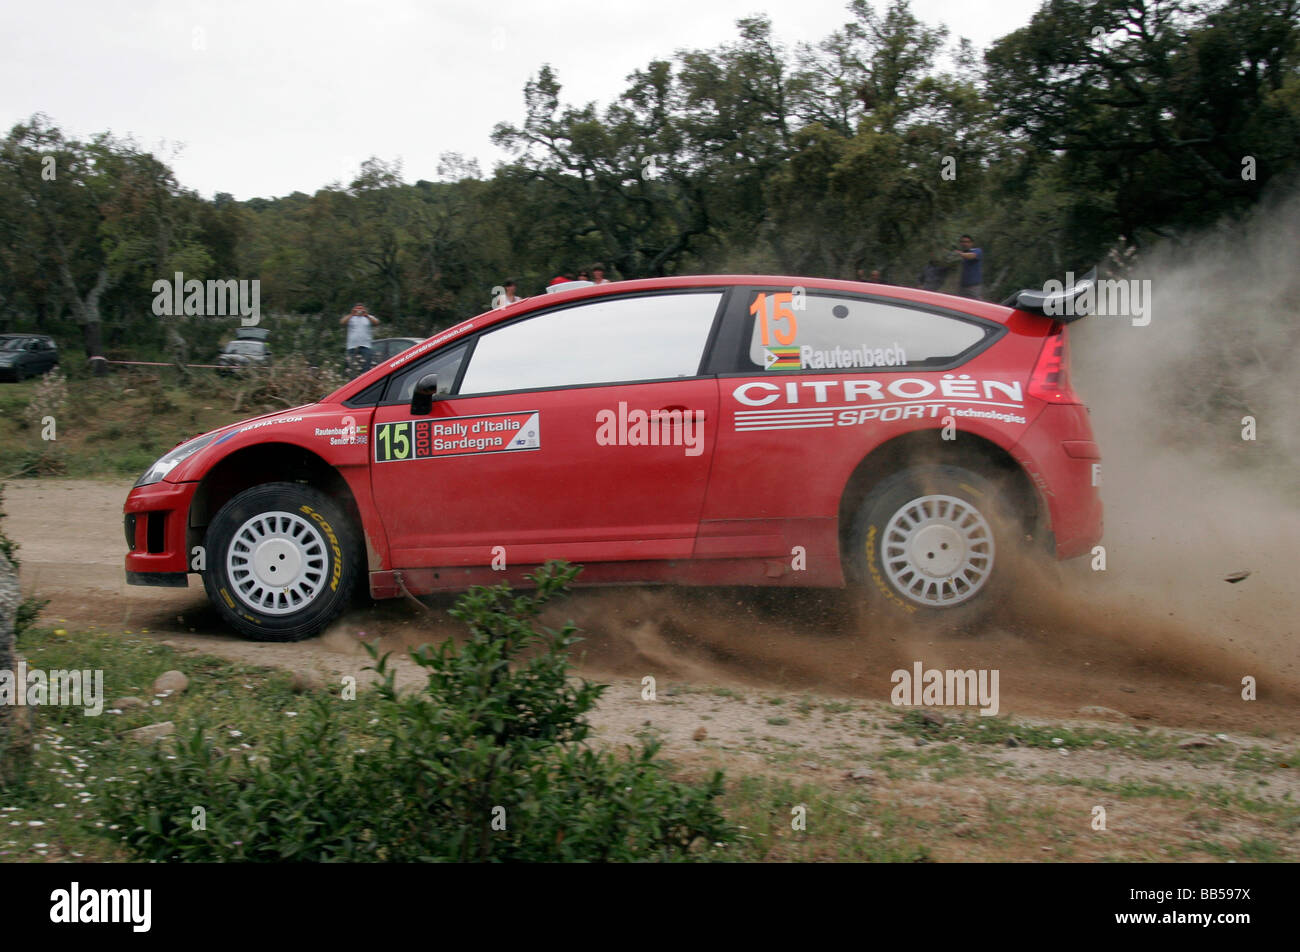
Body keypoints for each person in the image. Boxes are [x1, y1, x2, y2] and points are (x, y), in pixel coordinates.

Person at [340, 302, 379, 374]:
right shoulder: (351, 318)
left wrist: (366, 315)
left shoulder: (368, 317)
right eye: (357, 308)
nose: (359, 310)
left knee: (366, 368)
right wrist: (352, 314)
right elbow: (342, 322)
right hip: (352, 347)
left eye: (361, 308)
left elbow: (376, 323)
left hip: (366, 346)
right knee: (352, 368)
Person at [954, 235, 984, 299]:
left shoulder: (977, 250)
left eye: (967, 242)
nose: (965, 244)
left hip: (974, 286)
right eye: (963, 242)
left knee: (976, 305)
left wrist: (959, 254)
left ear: (972, 243)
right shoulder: (960, 254)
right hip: (962, 286)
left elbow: (972, 256)